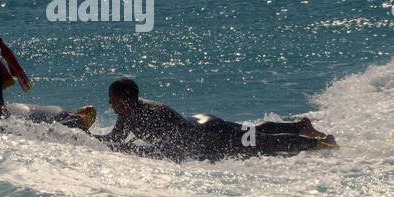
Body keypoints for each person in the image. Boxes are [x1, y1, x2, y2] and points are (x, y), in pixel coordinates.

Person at [104, 77, 334, 161]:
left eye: (112, 100)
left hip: (211, 132)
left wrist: (133, 152)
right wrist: (79, 135)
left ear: (125, 100)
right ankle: (300, 126)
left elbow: (169, 146)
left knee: (262, 142)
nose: (110, 104)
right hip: (201, 128)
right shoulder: (126, 115)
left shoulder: (151, 114)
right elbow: (113, 140)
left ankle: (321, 144)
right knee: (254, 131)